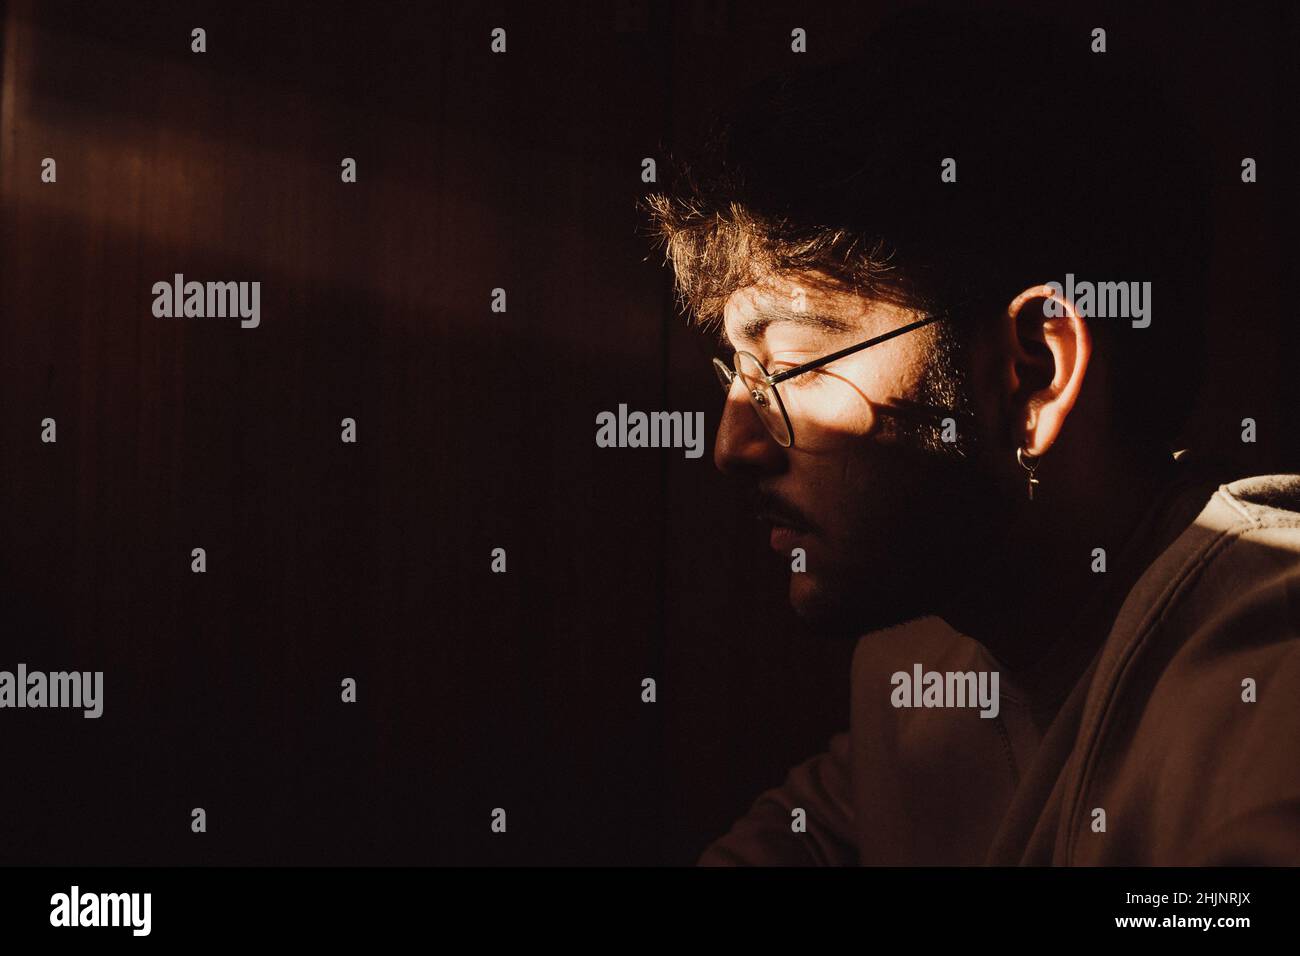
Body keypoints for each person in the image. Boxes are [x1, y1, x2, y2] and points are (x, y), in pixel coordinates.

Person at [640, 9, 1300, 865]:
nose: (734, 444)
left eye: (795, 365)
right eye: (739, 373)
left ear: (1032, 373)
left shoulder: (1266, 667)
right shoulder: (927, 653)